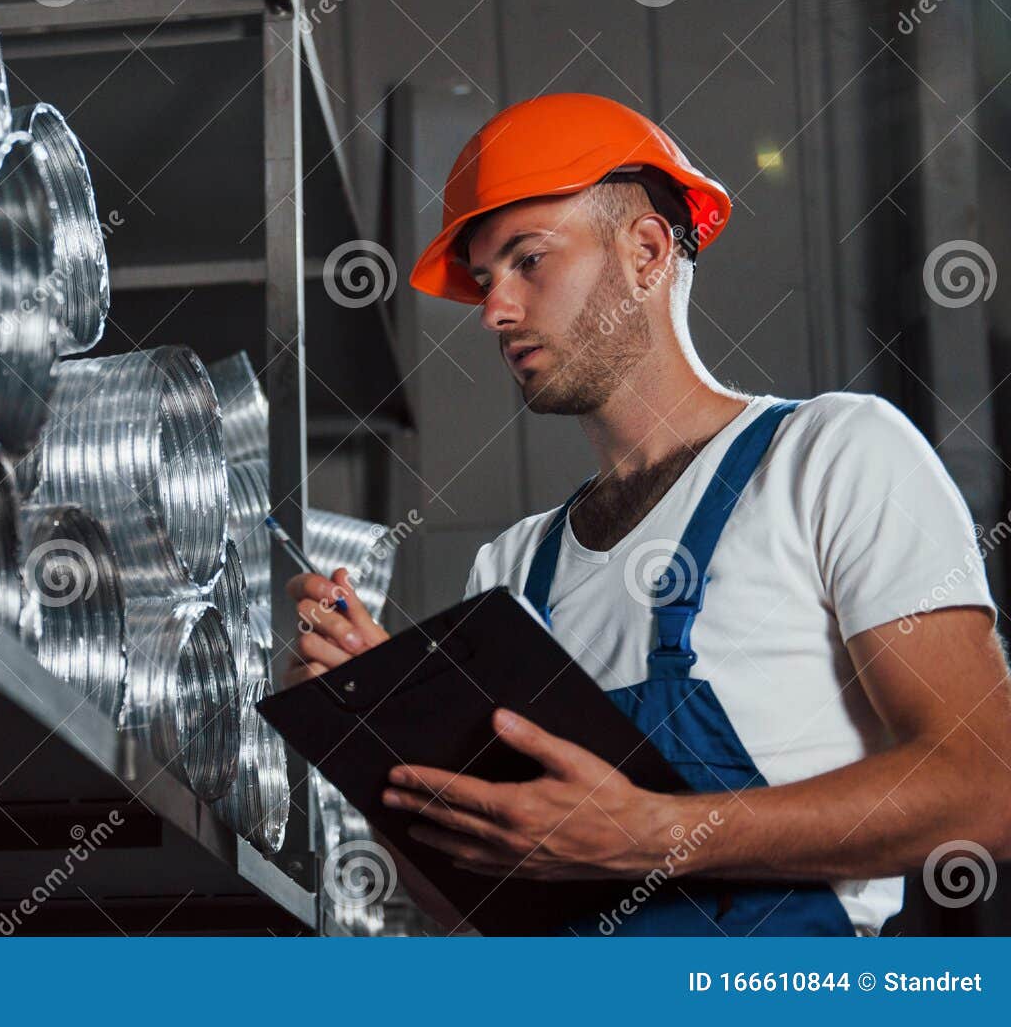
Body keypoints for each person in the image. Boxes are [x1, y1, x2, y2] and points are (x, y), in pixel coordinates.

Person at [284, 92, 1011, 936]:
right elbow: (476, 908)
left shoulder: (833, 456)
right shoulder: (513, 571)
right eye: (485, 281)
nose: (494, 311)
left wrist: (656, 837)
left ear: (646, 251)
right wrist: (382, 741)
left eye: (528, 261)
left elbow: (987, 787)